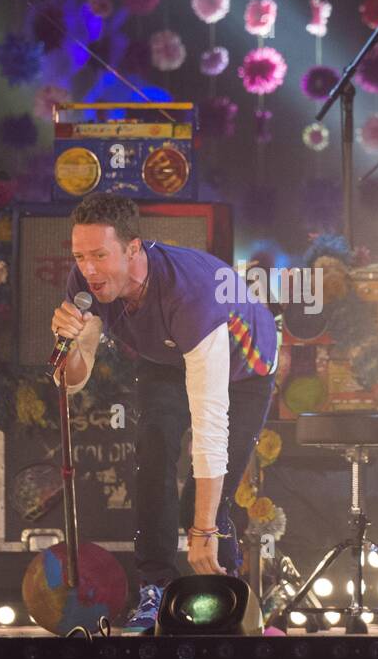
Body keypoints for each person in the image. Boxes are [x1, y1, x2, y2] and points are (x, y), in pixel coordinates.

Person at [50, 193, 278, 631]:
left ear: (133, 249)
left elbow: (211, 423)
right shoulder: (86, 285)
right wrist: (70, 341)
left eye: (100, 255)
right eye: (80, 256)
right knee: (152, 452)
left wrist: (202, 531)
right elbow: (72, 380)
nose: (89, 269)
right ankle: (155, 588)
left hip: (243, 367)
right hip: (166, 357)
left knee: (206, 497)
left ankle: (229, 595)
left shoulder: (190, 294)